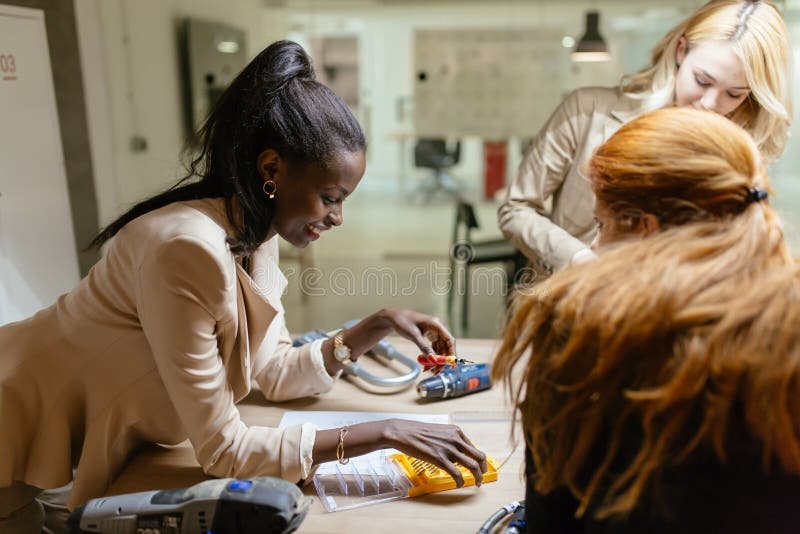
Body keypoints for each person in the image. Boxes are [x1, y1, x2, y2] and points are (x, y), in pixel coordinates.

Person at [0, 40, 487, 533]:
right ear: (271, 170)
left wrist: (375, 326)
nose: (338, 217)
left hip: (67, 451)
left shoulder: (254, 231)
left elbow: (272, 370)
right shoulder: (186, 248)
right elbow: (223, 451)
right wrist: (382, 431)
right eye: (329, 198)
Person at [492, 107, 800, 533]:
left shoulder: (587, 331)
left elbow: (553, 516)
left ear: (645, 228)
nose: (595, 247)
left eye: (601, 226)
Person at [498, 0, 792, 273]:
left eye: (734, 94)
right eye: (702, 81)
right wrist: (579, 260)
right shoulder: (587, 112)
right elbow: (516, 208)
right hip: (570, 309)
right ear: (681, 52)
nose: (710, 104)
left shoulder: (735, 156)